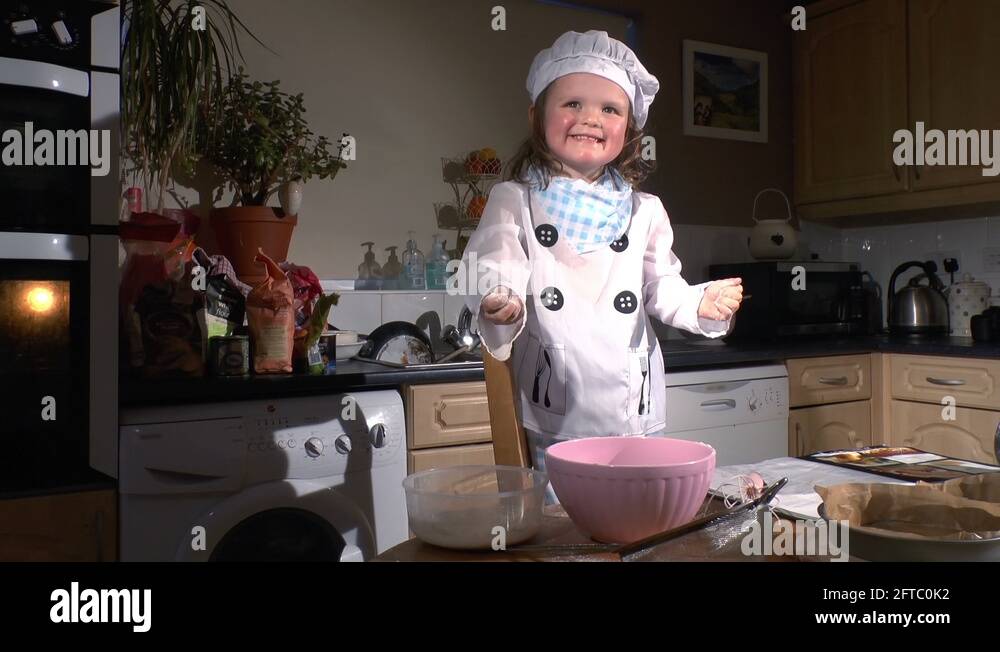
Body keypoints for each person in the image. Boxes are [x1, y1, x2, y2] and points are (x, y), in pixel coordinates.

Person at [459, 31, 744, 503]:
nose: (590, 118)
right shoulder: (516, 200)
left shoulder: (644, 210)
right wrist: (499, 298)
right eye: (572, 103)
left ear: (629, 128)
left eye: (610, 109)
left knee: (636, 521)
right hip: (557, 405)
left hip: (632, 405)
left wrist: (700, 303)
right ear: (537, 116)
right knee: (567, 530)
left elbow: (662, 287)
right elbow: (494, 262)